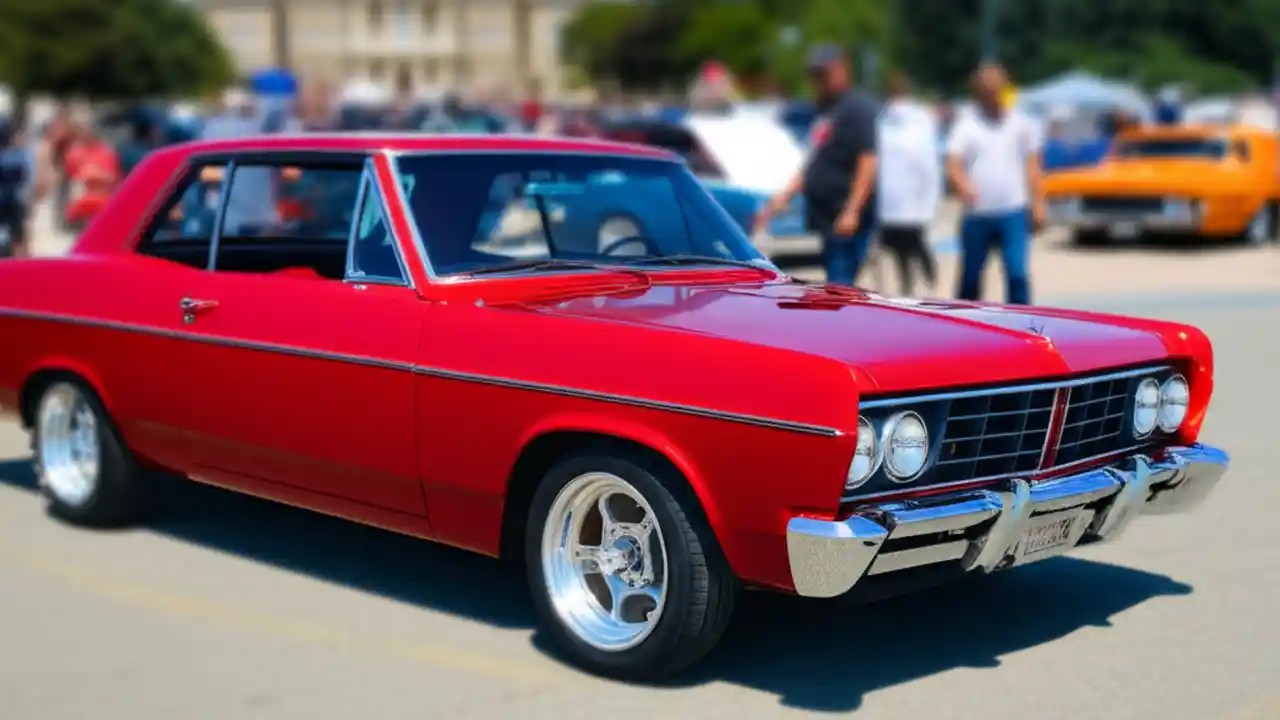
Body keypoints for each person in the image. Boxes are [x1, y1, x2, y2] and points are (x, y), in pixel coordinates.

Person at [756, 44, 879, 285]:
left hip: (844, 217)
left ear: (843, 70)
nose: (819, 81)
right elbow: (815, 161)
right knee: (832, 283)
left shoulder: (856, 109)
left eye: (825, 73)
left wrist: (852, 210)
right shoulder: (825, 110)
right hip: (825, 217)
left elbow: (867, 161)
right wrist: (784, 197)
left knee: (838, 286)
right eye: (815, 75)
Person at [946, 64, 1044, 305]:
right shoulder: (967, 125)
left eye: (998, 88)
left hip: (1013, 210)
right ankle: (966, 324)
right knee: (970, 278)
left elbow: (1033, 166)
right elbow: (953, 163)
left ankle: (1022, 323)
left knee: (1017, 273)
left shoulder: (1021, 123)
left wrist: (1039, 203)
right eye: (989, 90)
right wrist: (963, 185)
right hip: (979, 213)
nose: (995, 94)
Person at [876, 72, 940, 295]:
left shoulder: (912, 120)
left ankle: (924, 268)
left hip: (904, 195)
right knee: (899, 245)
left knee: (910, 242)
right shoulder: (886, 121)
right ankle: (910, 280)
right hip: (897, 196)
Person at [62, 123, 121, 232]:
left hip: (101, 203)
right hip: (81, 203)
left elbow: (113, 177)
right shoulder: (74, 153)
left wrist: (97, 175)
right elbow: (71, 177)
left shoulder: (107, 152)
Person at [0, 118, 38, 257]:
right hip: (14, 205)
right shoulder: (20, 156)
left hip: (10, 206)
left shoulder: (18, 156)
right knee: (18, 240)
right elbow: (28, 182)